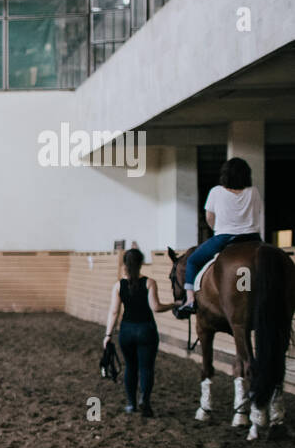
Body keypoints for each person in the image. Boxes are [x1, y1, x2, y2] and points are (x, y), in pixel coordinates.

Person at [175, 157, 264, 318]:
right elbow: (257, 213)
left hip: (225, 237)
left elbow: (209, 217)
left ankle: (189, 301)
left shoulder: (216, 191)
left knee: (193, 261)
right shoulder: (254, 191)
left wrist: (218, 228)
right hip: (253, 238)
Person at [103, 247, 175, 416]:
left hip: (126, 331)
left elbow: (114, 312)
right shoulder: (150, 282)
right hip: (146, 330)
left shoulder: (118, 285)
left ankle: (131, 404)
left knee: (130, 367)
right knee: (146, 368)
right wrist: (173, 304)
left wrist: (107, 335)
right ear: (141, 263)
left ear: (125, 264)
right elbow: (156, 307)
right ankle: (145, 401)